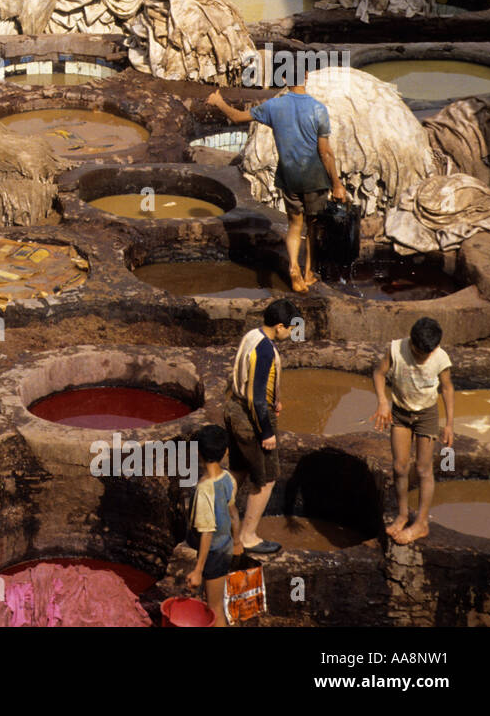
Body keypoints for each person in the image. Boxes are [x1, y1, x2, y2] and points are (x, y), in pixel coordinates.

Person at [207, 84, 349, 293]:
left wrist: (219, 102)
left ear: (284, 78)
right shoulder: (318, 109)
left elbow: (237, 118)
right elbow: (325, 152)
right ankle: (308, 273)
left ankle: (293, 269)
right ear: (306, 76)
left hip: (288, 176)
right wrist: (337, 184)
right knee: (314, 225)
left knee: (294, 225)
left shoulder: (274, 106)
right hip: (314, 178)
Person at [226, 298, 301, 556]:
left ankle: (215, 522)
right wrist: (266, 432)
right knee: (267, 479)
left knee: (238, 470)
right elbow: (256, 397)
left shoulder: (252, 335)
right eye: (290, 328)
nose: (291, 334)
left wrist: (275, 399)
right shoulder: (266, 350)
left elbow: (245, 378)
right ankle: (247, 536)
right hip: (252, 418)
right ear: (280, 326)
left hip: (234, 409)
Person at [373, 317, 455, 544]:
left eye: (424, 355)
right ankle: (402, 514)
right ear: (410, 342)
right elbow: (379, 373)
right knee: (400, 466)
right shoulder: (396, 349)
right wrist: (382, 401)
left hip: (426, 415)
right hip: (400, 412)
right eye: (416, 352)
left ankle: (421, 523)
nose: (420, 358)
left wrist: (449, 424)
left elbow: (447, 388)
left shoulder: (440, 359)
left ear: (435, 348)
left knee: (423, 468)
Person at [185, 424, 241, 626]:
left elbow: (207, 532)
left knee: (214, 608)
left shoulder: (204, 490)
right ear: (226, 451)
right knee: (214, 602)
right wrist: (237, 541)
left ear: (199, 453)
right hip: (225, 546)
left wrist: (198, 570)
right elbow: (233, 513)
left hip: (214, 554)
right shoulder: (228, 478)